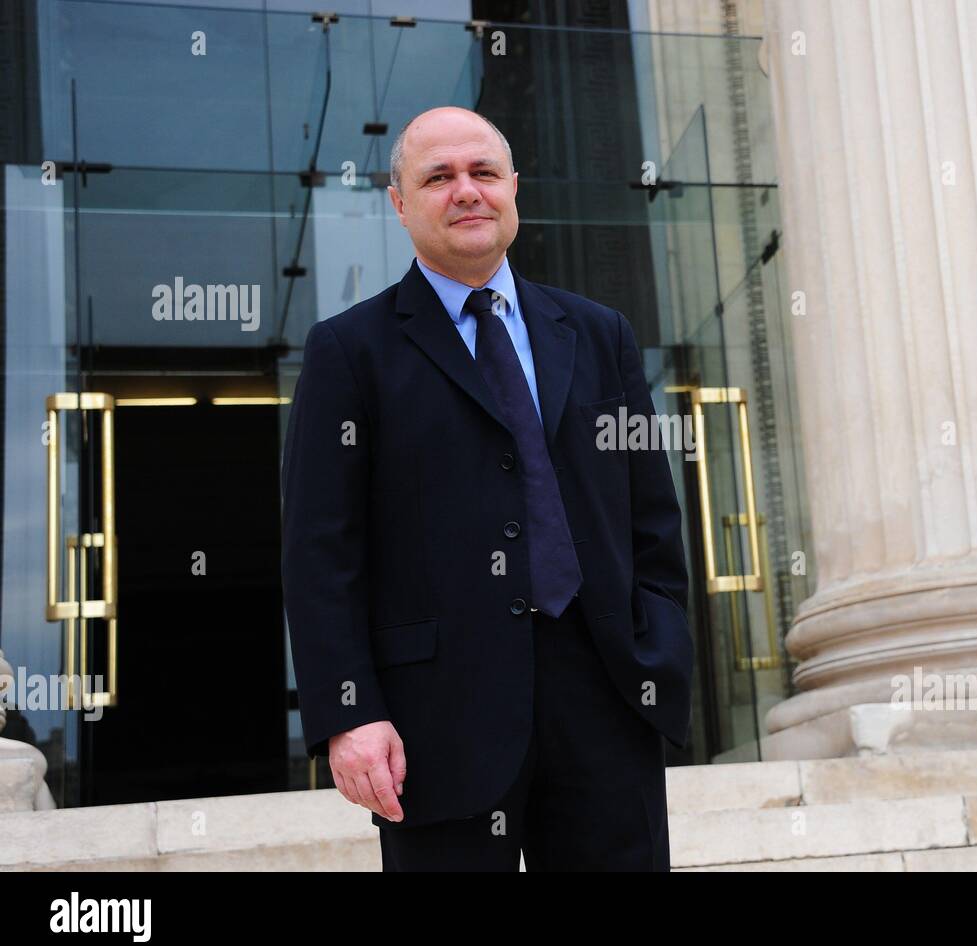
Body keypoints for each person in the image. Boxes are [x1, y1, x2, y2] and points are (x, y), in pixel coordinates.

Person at [280, 106, 694, 871]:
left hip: (605, 695)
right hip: (435, 719)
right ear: (400, 203)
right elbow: (320, 552)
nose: (466, 191)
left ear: (513, 190)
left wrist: (657, 648)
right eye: (439, 177)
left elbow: (652, 522)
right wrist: (350, 711)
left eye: (483, 173)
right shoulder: (348, 352)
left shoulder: (601, 333)